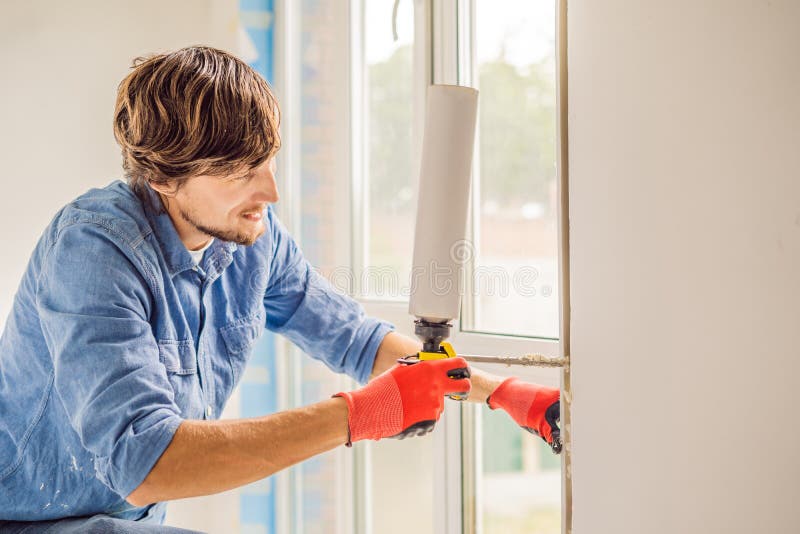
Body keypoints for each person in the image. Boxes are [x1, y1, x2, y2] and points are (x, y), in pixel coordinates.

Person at [0, 46, 561, 532]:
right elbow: (149, 465)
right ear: (164, 177)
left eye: (267, 160)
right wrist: (360, 415)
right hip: (29, 521)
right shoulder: (93, 252)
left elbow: (358, 341)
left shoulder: (252, 239)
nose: (270, 190)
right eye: (241, 171)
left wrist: (505, 393)